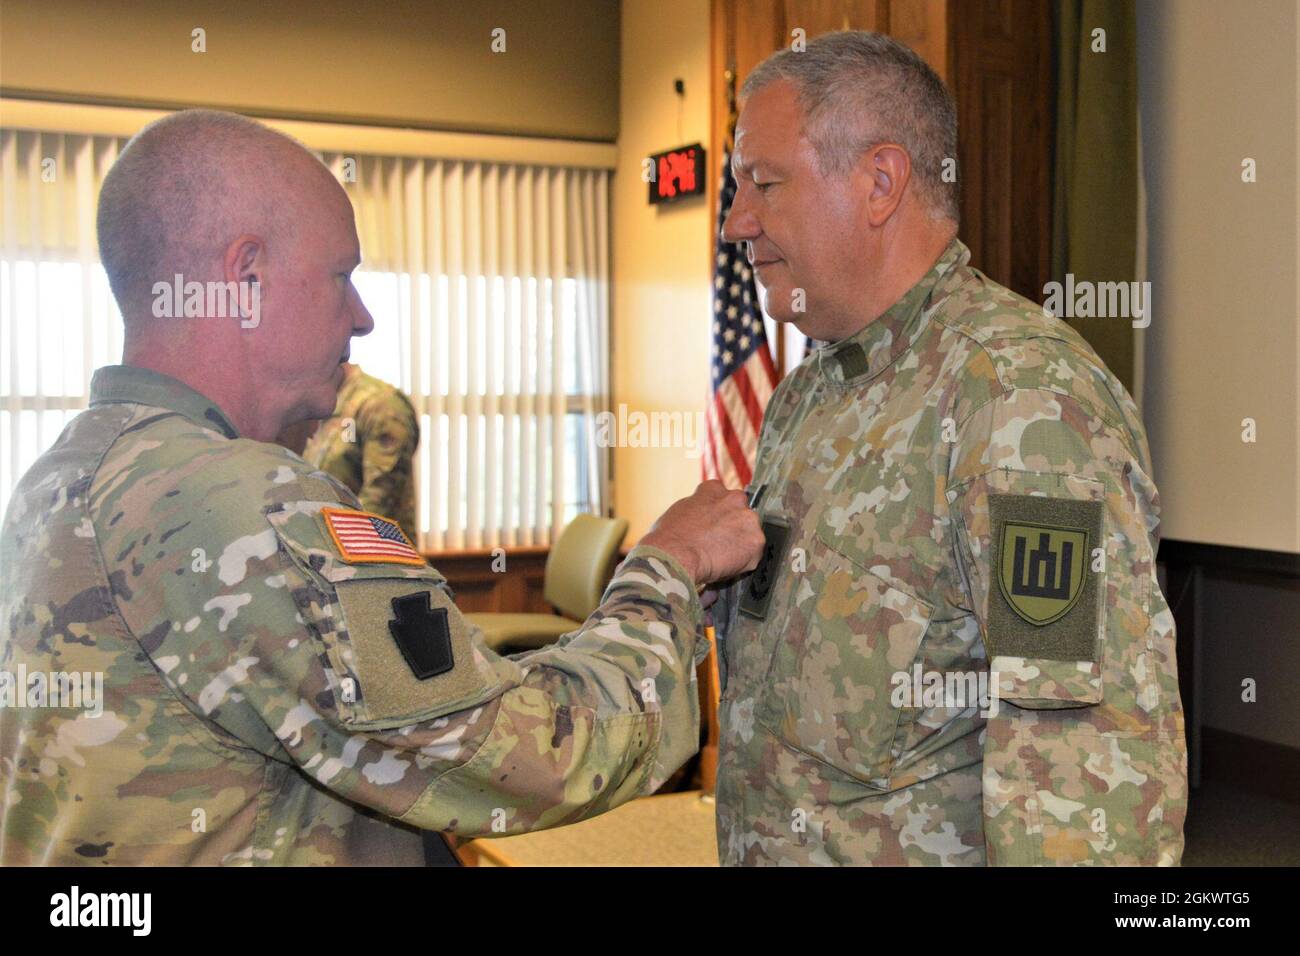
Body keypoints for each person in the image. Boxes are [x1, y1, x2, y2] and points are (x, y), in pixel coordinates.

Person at [0, 109, 764, 865]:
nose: (361, 318)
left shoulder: (56, 477)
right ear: (246, 276)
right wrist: (667, 564)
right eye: (342, 275)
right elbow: (535, 757)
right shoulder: (247, 505)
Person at [710, 31, 1186, 865]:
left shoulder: (1021, 403)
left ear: (881, 183)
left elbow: (1081, 774)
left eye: (764, 183)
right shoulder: (811, 391)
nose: (735, 222)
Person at [299, 362, 420, 538]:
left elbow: (380, 498)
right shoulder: (318, 404)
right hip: (327, 550)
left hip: (373, 554)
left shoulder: (381, 406)